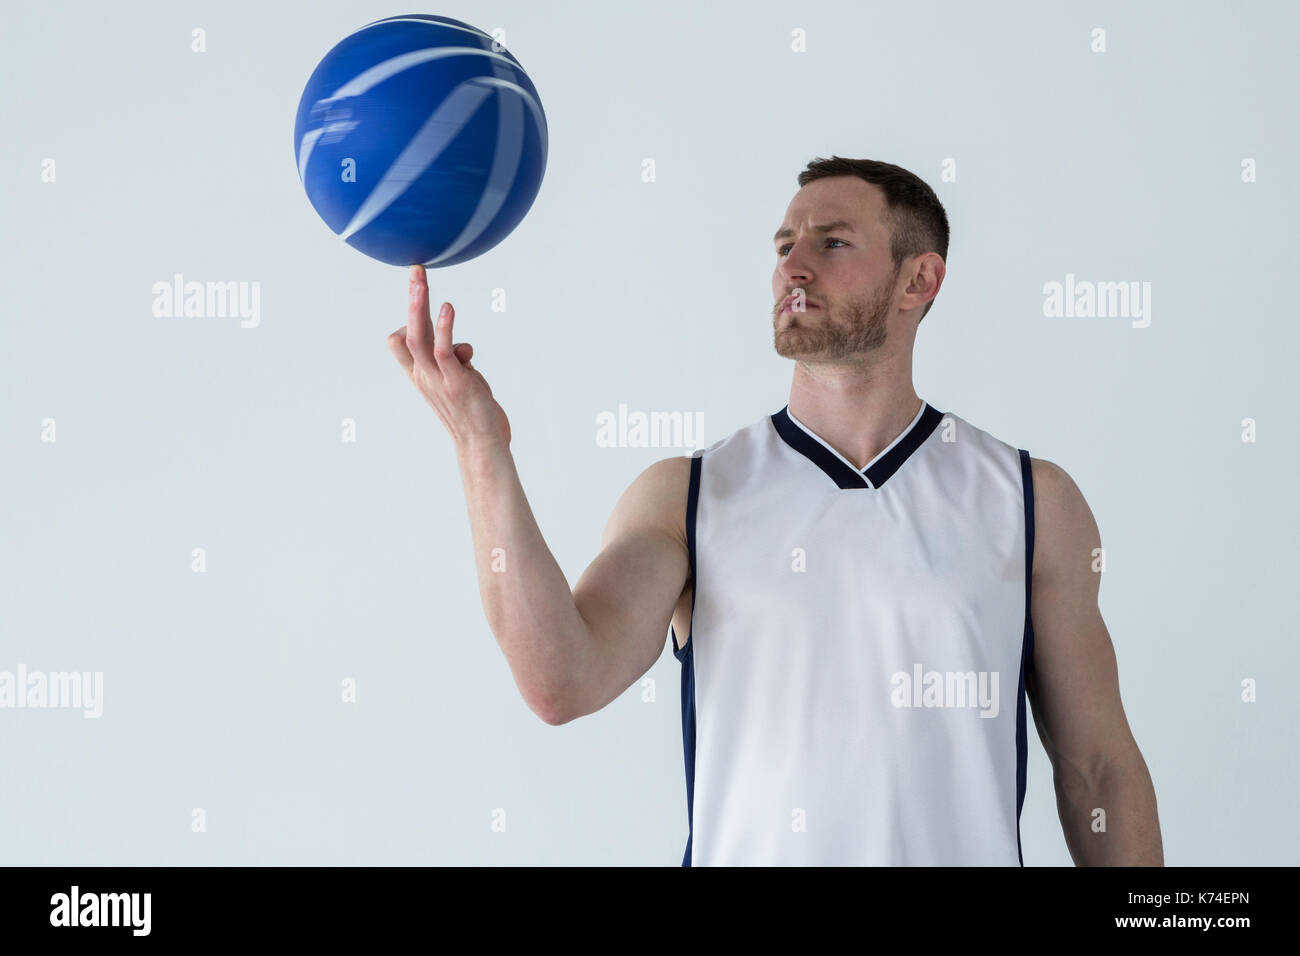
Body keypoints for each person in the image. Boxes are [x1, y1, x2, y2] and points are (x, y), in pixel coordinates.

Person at [386, 155, 1162, 867]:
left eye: (832, 244)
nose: (791, 264)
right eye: (784, 243)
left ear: (919, 279)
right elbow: (560, 680)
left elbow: (1099, 769)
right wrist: (480, 446)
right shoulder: (687, 495)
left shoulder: (1030, 499)